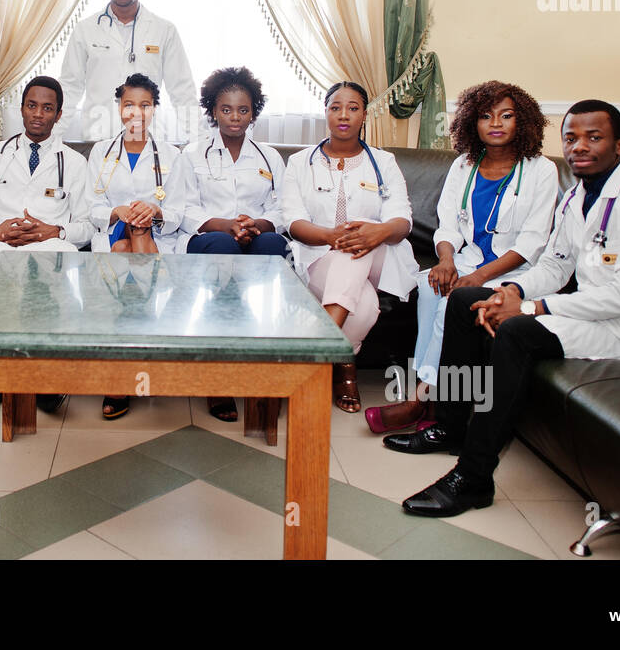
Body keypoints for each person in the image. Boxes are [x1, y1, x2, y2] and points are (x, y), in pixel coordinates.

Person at [390, 100, 620, 518]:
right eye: (571, 138)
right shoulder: (577, 197)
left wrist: (530, 307)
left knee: (516, 332)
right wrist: (510, 292)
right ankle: (451, 426)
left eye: (594, 137)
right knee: (464, 300)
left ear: (619, 145)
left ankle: (474, 478)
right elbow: (555, 266)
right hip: (591, 311)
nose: (579, 147)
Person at [364, 81, 558, 434]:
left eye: (506, 115)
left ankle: (421, 399)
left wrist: (479, 277)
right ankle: (430, 396)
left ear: (523, 121)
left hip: (515, 271)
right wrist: (445, 262)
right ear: (472, 122)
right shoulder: (464, 166)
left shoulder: (540, 170)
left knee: (451, 304)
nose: (495, 123)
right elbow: (448, 226)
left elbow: (532, 242)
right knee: (429, 288)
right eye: (485, 116)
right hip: (468, 260)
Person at [0, 76, 93, 415]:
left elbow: (87, 226)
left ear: (58, 115)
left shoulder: (74, 163)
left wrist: (54, 231)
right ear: (21, 109)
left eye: (47, 108)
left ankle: (42, 380)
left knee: (50, 276)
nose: (38, 114)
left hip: (51, 249)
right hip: (0, 247)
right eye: (32, 106)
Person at [282, 81, 419, 413]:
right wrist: (331, 237)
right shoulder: (300, 163)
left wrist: (377, 232)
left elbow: (402, 220)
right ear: (325, 112)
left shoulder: (384, 162)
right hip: (319, 257)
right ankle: (345, 368)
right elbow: (293, 222)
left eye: (353, 108)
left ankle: (314, 355)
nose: (344, 115)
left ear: (365, 115)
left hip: (379, 256)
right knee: (366, 305)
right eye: (336, 107)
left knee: (356, 243)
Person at [175, 66, 288, 422]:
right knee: (222, 247)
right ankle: (219, 378)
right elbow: (184, 209)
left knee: (273, 245)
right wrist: (226, 225)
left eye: (243, 110)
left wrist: (256, 225)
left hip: (255, 237)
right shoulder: (192, 155)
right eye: (226, 109)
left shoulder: (269, 157)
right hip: (209, 240)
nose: (235, 117)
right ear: (213, 110)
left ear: (254, 112)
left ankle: (261, 366)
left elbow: (282, 209)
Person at [86, 72, 185, 419]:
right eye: (129, 104)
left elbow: (178, 211)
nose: (137, 113)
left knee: (129, 245)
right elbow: (91, 207)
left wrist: (155, 210)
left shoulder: (172, 155)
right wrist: (117, 211)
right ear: (119, 108)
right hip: (115, 231)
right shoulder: (100, 152)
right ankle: (149, 351)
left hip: (153, 239)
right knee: (128, 234)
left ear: (154, 109)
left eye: (145, 105)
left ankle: (120, 380)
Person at [57, 0, 198, 141]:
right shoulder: (85, 29)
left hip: (148, 138)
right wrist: (52, 136)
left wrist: (200, 141)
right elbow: (69, 88)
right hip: (99, 136)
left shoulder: (164, 30)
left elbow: (182, 90)